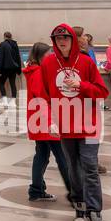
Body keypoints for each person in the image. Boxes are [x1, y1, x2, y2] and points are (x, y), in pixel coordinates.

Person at [38, 23, 110, 221]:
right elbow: (44, 95)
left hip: (88, 125)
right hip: (65, 126)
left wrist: (82, 85)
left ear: (72, 40)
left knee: (90, 167)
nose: (62, 42)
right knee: (73, 167)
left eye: (66, 38)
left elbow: (102, 92)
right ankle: (79, 205)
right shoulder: (48, 63)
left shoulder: (86, 62)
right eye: (58, 38)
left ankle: (95, 215)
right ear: (54, 41)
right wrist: (48, 120)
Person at [24, 40, 77, 203]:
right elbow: (42, 98)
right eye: (49, 55)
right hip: (45, 121)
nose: (51, 57)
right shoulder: (39, 73)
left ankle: (36, 190)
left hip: (38, 119)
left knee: (42, 155)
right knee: (62, 157)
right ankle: (74, 193)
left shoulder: (34, 71)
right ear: (40, 57)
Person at [0, 31, 21, 108]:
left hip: (5, 68)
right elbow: (18, 57)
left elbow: (1, 58)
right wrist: (19, 69)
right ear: (11, 36)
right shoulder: (15, 44)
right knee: (12, 84)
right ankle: (13, 102)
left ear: (4, 37)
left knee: (1, 83)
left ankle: (5, 101)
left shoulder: (2, 44)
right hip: (14, 68)